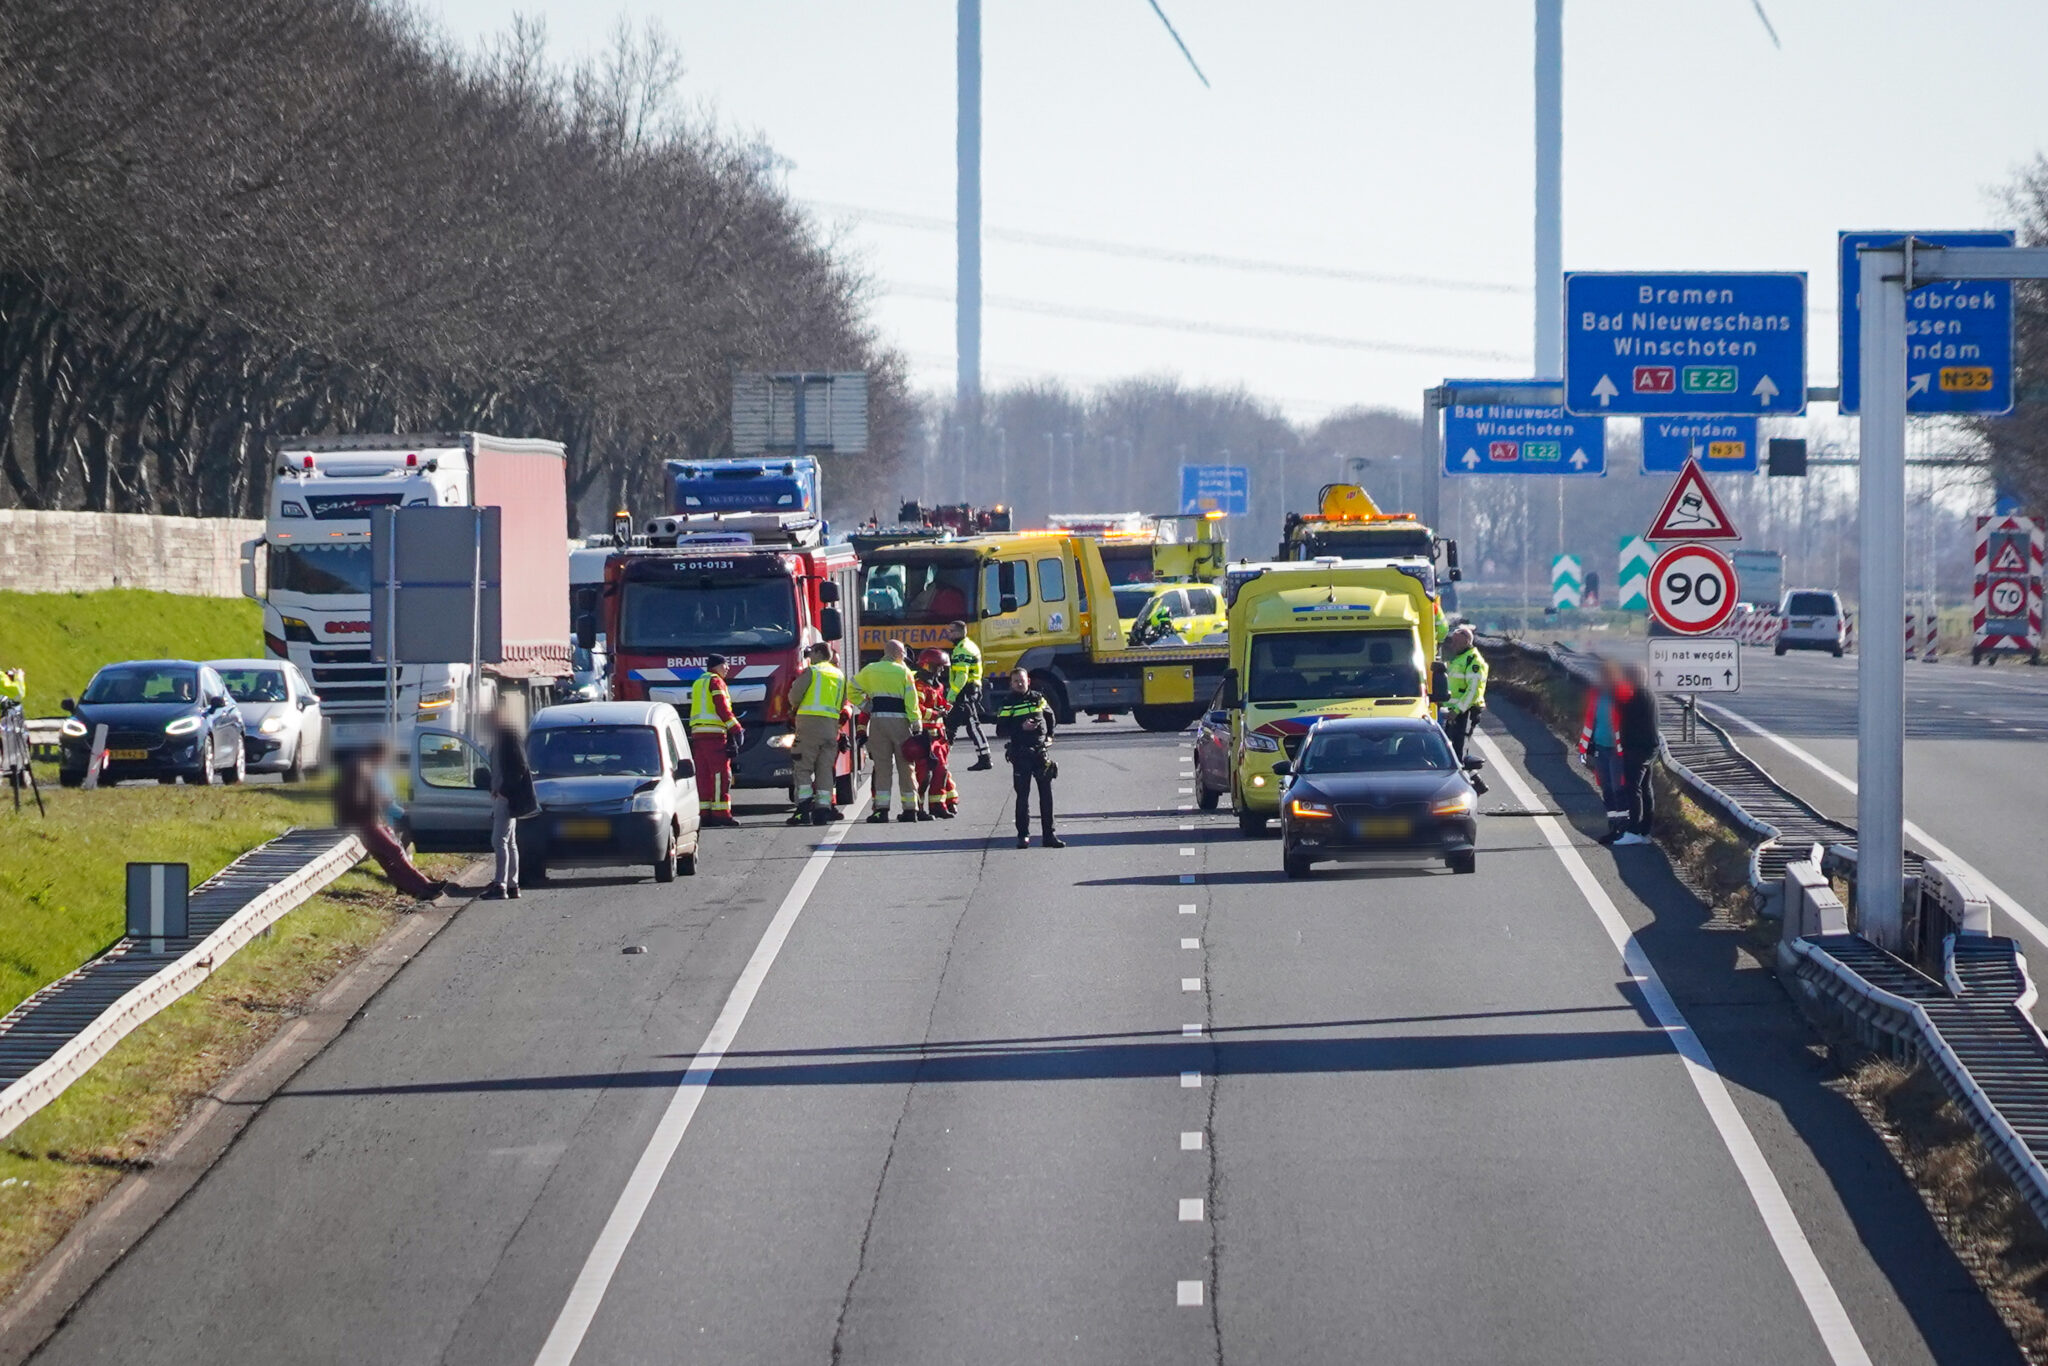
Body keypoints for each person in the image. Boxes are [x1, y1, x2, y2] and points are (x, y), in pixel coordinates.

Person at [333, 741, 445, 902]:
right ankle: (423, 884)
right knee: (394, 851)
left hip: (370, 819)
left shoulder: (365, 768)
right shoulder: (359, 769)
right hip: (363, 823)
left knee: (387, 859)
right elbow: (359, 801)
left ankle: (416, 889)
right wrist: (381, 803)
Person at [851, 640, 922, 823]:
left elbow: (851, 689)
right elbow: (911, 701)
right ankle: (910, 809)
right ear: (899, 654)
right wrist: (916, 724)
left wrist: (866, 706)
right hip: (900, 722)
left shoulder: (870, 669)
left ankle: (881, 810)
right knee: (906, 765)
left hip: (878, 722)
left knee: (882, 767)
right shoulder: (903, 671)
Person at [997, 668, 1064, 849]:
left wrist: (1049, 737)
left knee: (1046, 796)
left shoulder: (1038, 698)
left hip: (1040, 753)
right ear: (1011, 684)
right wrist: (1021, 727)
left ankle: (1049, 835)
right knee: (1023, 797)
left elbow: (1050, 717)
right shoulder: (1008, 702)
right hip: (1020, 753)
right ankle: (1023, 836)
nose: (1020, 683)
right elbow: (1000, 730)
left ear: (1029, 681)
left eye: (1022, 680)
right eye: (1016, 681)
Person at [785, 643, 849, 825]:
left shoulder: (812, 671)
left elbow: (794, 696)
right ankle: (823, 809)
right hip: (831, 727)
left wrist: (794, 709)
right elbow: (843, 701)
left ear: (819, 653)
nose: (809, 656)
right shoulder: (839, 675)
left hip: (809, 724)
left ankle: (803, 809)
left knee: (803, 767)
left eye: (811, 652)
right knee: (825, 769)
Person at [482, 700, 537, 899]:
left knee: (499, 840)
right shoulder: (502, 737)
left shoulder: (509, 737)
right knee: (510, 841)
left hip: (507, 796)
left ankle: (500, 885)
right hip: (503, 794)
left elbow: (520, 766)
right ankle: (512, 885)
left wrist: (504, 790)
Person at [1578, 659, 1633, 843]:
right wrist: (1584, 746)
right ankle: (1613, 825)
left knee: (1618, 789)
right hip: (1601, 748)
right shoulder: (1597, 694)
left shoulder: (1623, 693)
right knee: (1607, 788)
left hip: (1617, 751)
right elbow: (1590, 721)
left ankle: (1623, 827)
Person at [688, 655, 744, 827]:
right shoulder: (716, 681)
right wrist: (736, 728)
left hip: (698, 733)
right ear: (716, 666)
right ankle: (721, 814)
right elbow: (721, 706)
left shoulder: (699, 682)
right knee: (721, 775)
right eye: (725, 665)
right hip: (714, 734)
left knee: (703, 775)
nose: (727, 668)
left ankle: (704, 813)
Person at [1614, 662, 1661, 846]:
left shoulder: (1636, 696)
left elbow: (1621, 714)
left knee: (1633, 788)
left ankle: (1633, 830)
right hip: (1649, 747)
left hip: (1637, 749)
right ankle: (1644, 830)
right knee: (1645, 789)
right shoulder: (1649, 694)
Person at [1440, 626, 1489, 791]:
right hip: (1455, 712)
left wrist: (1457, 710)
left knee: (1458, 751)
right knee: (1451, 751)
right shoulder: (1460, 658)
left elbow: (1472, 691)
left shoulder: (1473, 661)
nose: (1452, 645)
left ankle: (1470, 787)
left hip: (1465, 712)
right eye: (1452, 641)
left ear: (1467, 642)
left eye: (1456, 641)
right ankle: (1473, 784)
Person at [911, 649, 958, 818]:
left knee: (941, 770)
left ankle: (938, 805)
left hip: (939, 737)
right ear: (929, 666)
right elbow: (918, 708)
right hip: (924, 737)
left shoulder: (938, 685)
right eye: (939, 667)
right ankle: (919, 808)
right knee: (923, 774)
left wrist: (947, 708)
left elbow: (942, 703)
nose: (942, 671)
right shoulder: (919, 686)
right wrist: (936, 713)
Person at [944, 622, 993, 769]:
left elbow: (961, 676)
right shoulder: (969, 645)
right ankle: (942, 757)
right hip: (971, 688)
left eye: (951, 631)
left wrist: (951, 695)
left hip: (965, 690)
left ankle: (985, 758)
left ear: (959, 632)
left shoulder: (962, 650)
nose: (949, 634)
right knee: (952, 725)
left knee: (971, 725)